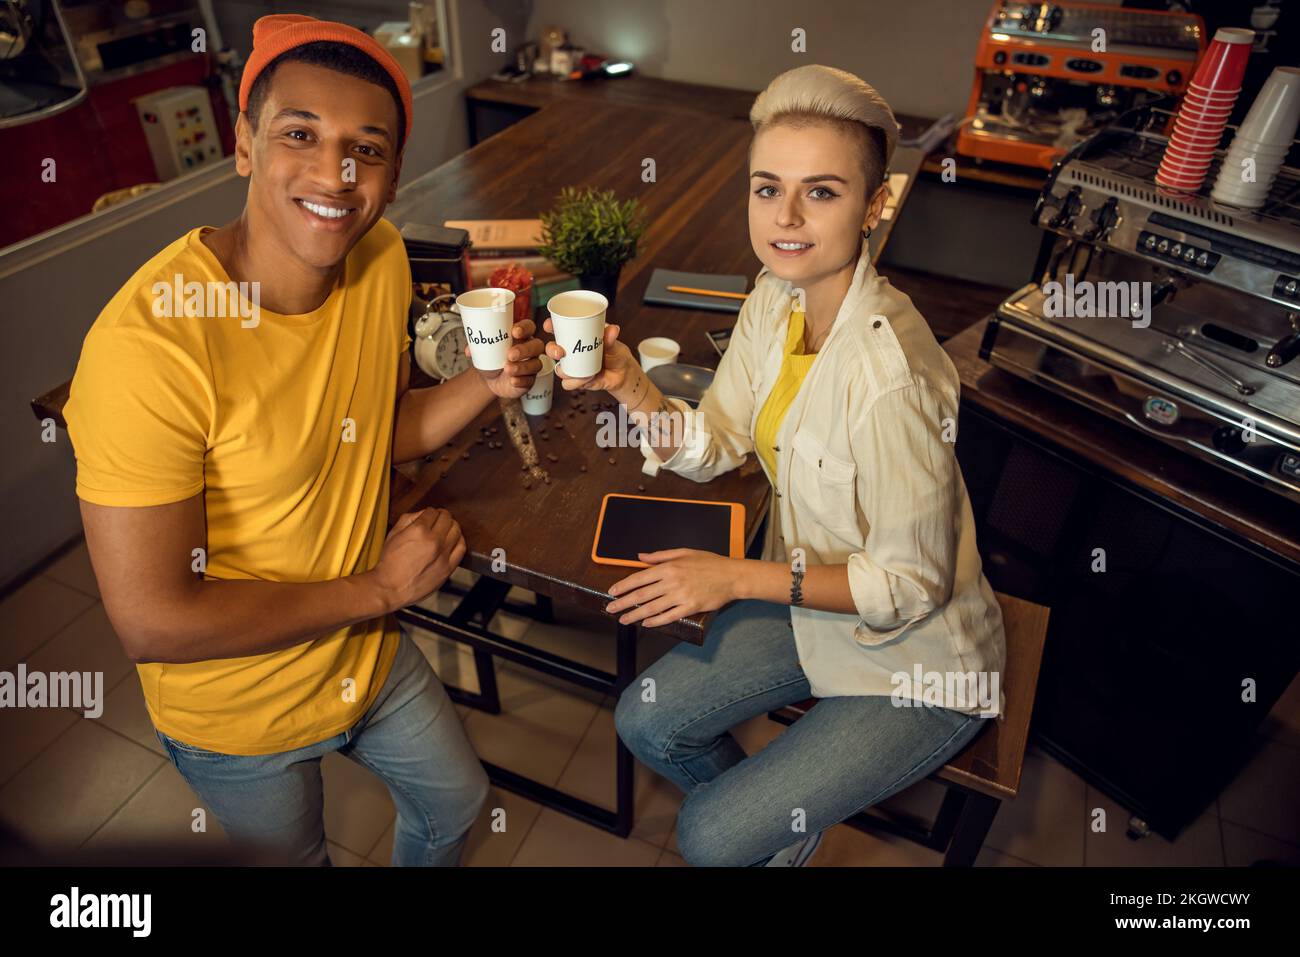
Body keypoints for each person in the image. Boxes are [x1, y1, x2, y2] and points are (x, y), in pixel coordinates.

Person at [63, 15, 544, 866]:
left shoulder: (381, 256)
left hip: (363, 646)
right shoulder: (150, 346)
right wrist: (380, 587)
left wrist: (489, 380)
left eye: (367, 148)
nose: (336, 173)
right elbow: (155, 621)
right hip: (238, 709)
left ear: (394, 174)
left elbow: (375, 432)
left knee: (458, 803)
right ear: (243, 145)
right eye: (300, 134)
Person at [545, 64, 1006, 867]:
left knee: (706, 834)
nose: (785, 217)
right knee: (644, 718)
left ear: (875, 204)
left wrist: (735, 578)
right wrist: (629, 383)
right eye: (768, 189)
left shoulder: (891, 376)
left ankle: (762, 829)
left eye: (821, 192)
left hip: (921, 659)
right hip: (813, 602)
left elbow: (908, 586)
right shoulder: (773, 298)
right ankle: (778, 822)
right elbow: (717, 442)